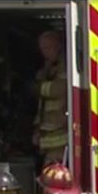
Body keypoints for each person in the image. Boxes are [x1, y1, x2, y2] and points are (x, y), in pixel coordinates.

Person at [32, 30, 68, 168]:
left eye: (47, 48)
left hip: (60, 132)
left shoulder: (64, 66)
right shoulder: (50, 66)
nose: (44, 52)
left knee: (54, 170)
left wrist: (37, 87)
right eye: (42, 49)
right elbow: (42, 107)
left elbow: (58, 89)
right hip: (50, 132)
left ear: (58, 46)